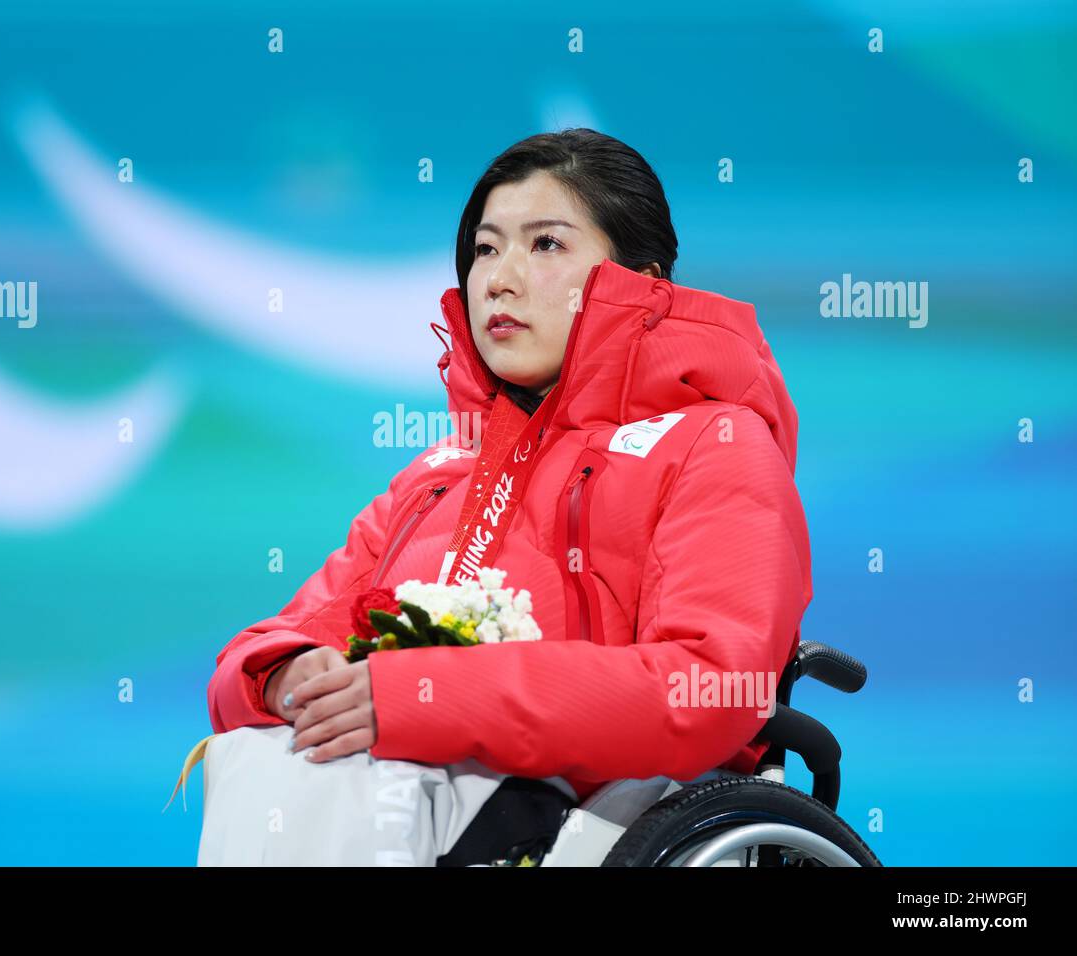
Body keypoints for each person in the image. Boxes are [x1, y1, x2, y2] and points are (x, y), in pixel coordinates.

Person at [206, 128, 812, 866]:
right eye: (486, 250)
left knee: (352, 779)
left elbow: (709, 686)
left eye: (546, 244)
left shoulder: (715, 443)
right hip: (417, 794)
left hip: (603, 813)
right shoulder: (439, 472)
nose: (499, 278)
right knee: (265, 757)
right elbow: (277, 638)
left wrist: (422, 699)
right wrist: (289, 676)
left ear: (645, 280)